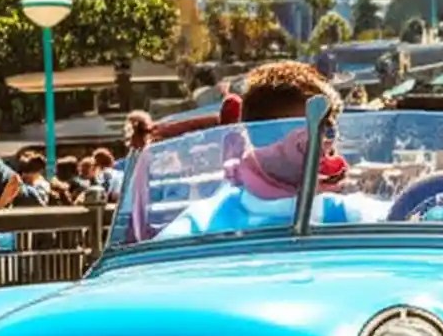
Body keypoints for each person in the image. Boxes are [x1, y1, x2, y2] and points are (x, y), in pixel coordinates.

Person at [154, 61, 383, 241]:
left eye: (330, 130)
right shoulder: (203, 224)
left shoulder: (349, 215)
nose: (325, 144)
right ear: (259, 137)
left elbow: (396, 219)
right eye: (306, 135)